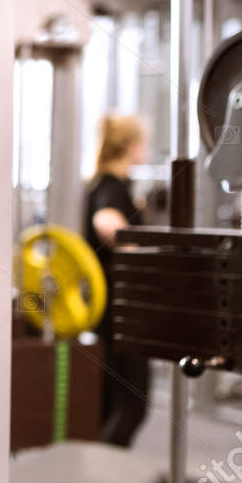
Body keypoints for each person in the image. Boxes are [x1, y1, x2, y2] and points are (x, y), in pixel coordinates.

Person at [83, 113, 151, 447]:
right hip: (120, 315)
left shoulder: (102, 183)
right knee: (131, 406)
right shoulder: (111, 188)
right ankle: (108, 480)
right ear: (130, 146)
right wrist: (141, 252)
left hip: (109, 311)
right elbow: (106, 222)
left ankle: (101, 481)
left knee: (111, 404)